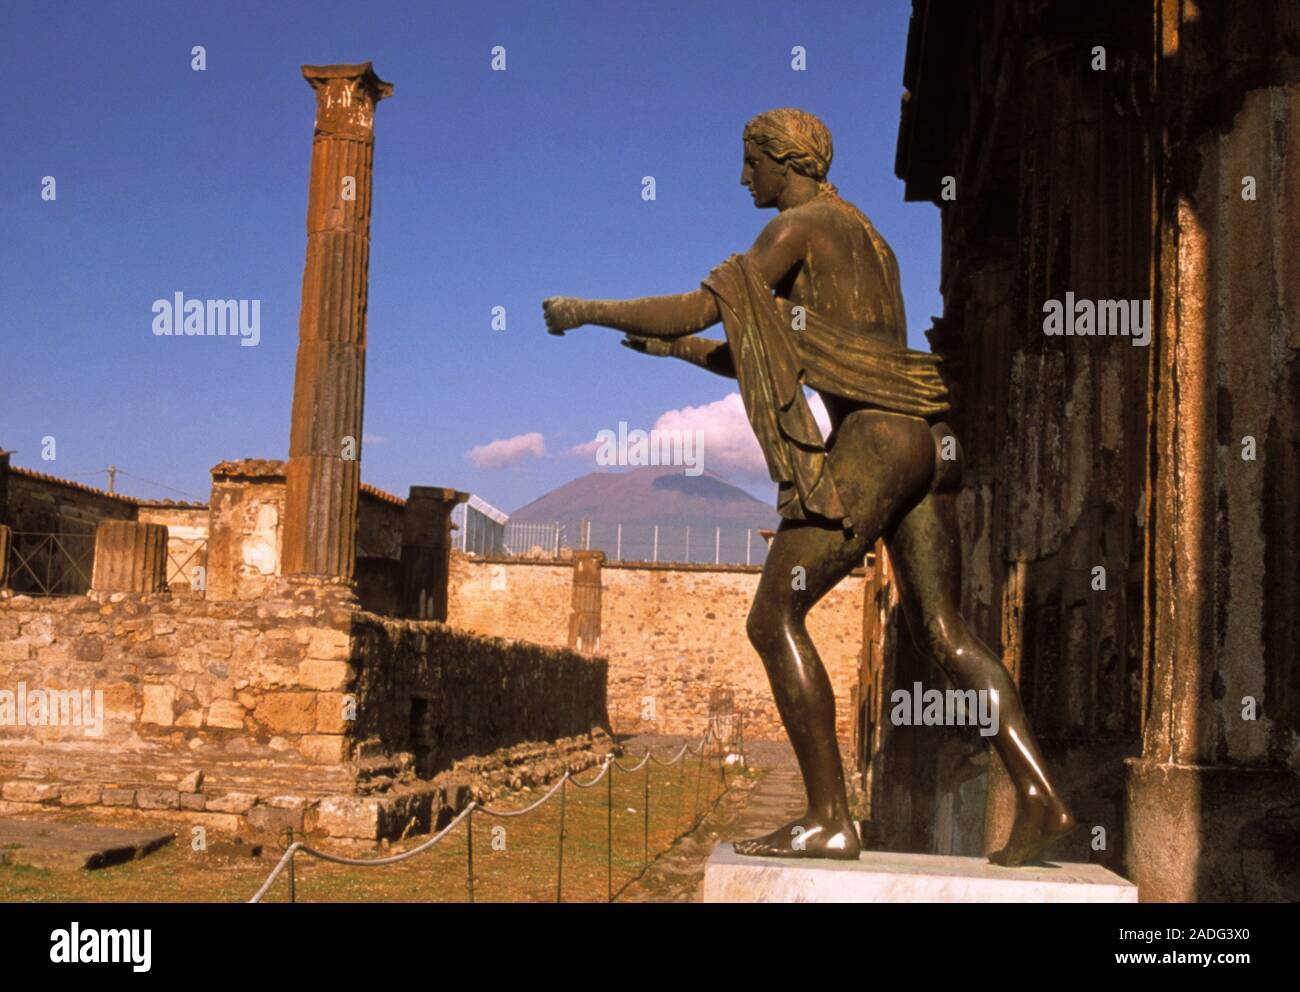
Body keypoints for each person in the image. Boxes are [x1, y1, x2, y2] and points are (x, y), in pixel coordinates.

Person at [543, 108, 1075, 865]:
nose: (743, 177)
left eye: (751, 161)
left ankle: (828, 817)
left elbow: (700, 306)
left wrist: (585, 311)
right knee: (946, 633)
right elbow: (776, 350)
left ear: (786, 160)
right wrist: (678, 354)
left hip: (874, 442)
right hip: (928, 440)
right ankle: (1041, 795)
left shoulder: (796, 228)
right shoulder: (872, 240)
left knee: (773, 618)